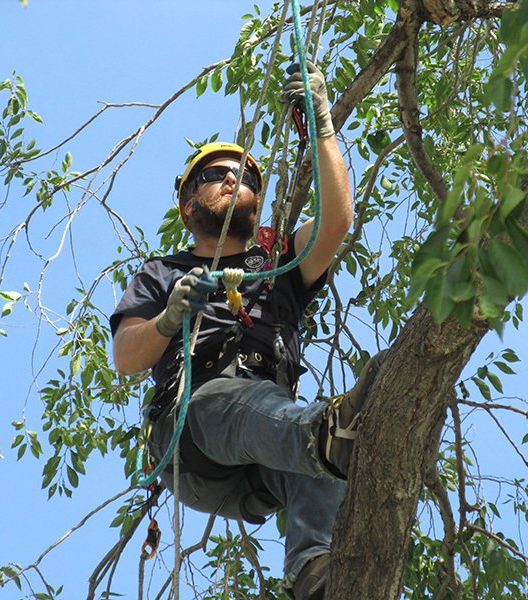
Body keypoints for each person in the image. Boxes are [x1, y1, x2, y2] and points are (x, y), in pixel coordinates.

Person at [110, 61, 386, 600]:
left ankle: (316, 573)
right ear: (189, 204)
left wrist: (322, 124)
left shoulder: (279, 263)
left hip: (264, 452)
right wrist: (167, 319)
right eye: (217, 174)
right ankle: (324, 437)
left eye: (248, 178)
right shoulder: (163, 272)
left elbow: (336, 222)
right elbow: (125, 356)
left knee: (314, 457)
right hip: (193, 432)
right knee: (299, 426)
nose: (234, 178)